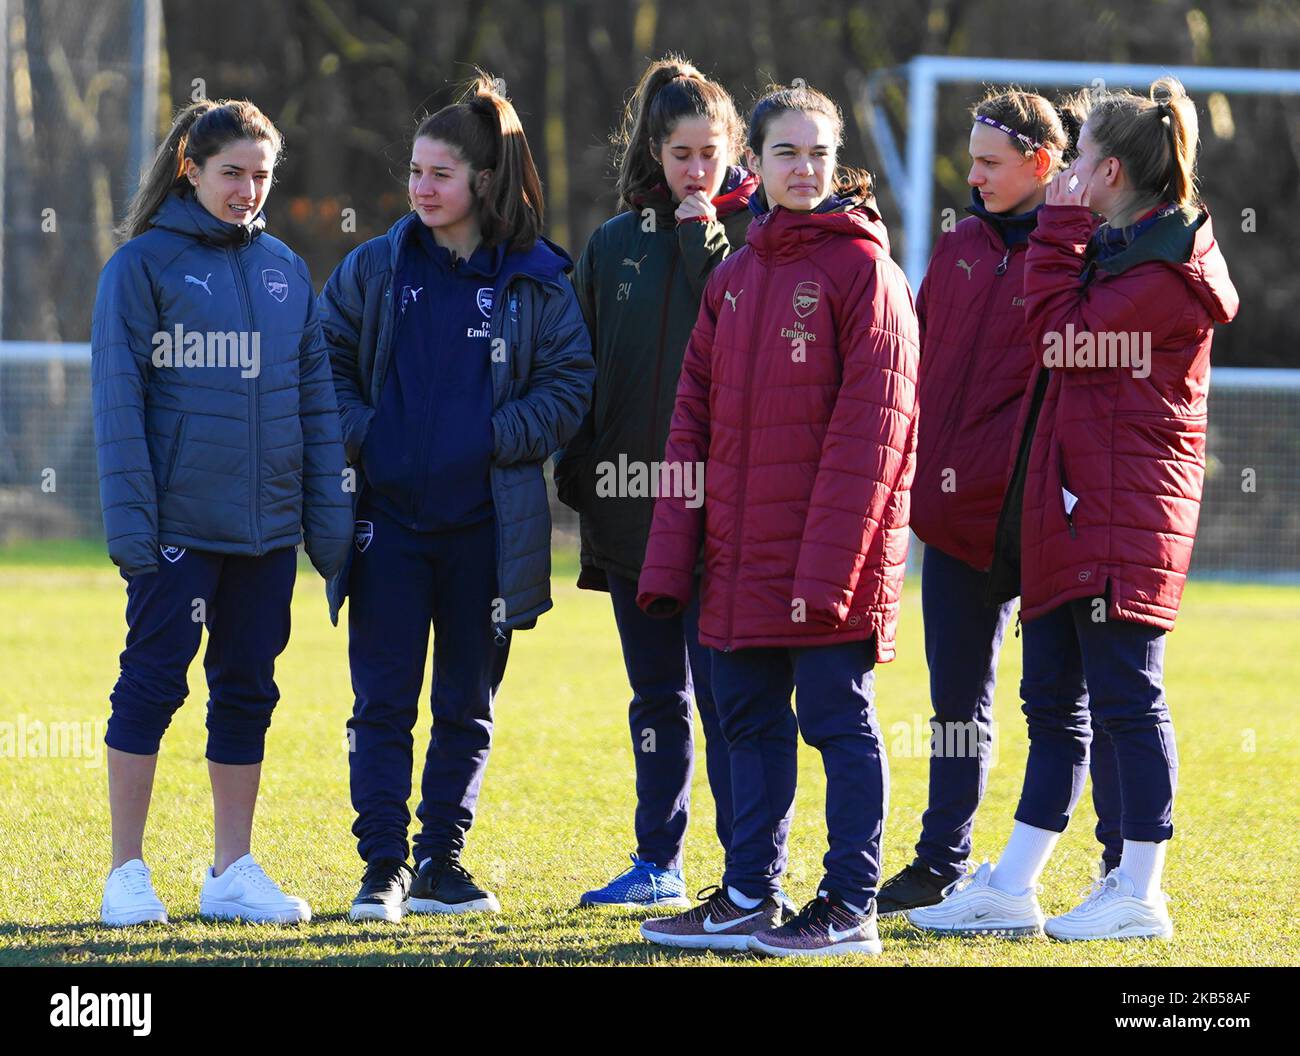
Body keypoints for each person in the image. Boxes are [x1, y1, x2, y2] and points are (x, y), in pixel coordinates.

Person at [909, 77, 1238, 940]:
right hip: (1069, 508)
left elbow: (1057, 336)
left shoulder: (1166, 269)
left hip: (1121, 513)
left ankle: (1139, 889)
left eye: (1080, 157)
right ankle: (1013, 885)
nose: (1069, 174)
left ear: (1112, 171)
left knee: (1127, 697)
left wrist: (1055, 228)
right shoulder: (1117, 248)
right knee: (1052, 699)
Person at [635, 82, 919, 957]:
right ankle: (749, 894)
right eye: (786, 153)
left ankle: (849, 906)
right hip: (738, 558)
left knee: (838, 723)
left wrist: (828, 571)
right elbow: (691, 422)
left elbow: (875, 436)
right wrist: (671, 552)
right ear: (752, 163)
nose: (804, 169)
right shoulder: (735, 274)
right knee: (748, 725)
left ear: (839, 165)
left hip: (829, 562)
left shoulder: (866, 270)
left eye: (820, 154)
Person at [319, 74, 593, 922]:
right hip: (388, 529)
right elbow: (322, 363)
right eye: (413, 171)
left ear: (482, 180)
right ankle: (382, 868)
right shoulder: (377, 263)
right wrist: (373, 435)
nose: (420, 189)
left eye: (439, 174)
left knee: (465, 707)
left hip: (488, 533)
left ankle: (442, 860)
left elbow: (569, 385)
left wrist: (492, 439)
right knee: (382, 703)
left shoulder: (538, 280)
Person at [91, 99, 352, 926]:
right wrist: (135, 527)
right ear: (190, 171)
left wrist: (326, 522)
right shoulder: (140, 269)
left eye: (261, 175)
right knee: (151, 683)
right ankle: (125, 872)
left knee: (248, 689)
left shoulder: (283, 270)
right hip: (178, 529)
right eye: (231, 173)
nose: (247, 190)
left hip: (264, 533)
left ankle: (230, 869)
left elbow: (315, 408)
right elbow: (118, 404)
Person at [877, 88, 1125, 917]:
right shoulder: (954, 250)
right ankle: (941, 861)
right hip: (955, 519)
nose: (972, 175)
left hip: (1050, 521)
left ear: (1043, 164)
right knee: (956, 705)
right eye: (971, 159)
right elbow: (914, 368)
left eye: (988, 162)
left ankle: (1119, 871)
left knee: (1073, 702)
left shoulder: (1090, 251)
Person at [554, 56, 763, 910]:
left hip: (719, 514)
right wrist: (581, 471)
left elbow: (731, 313)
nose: (695, 170)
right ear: (653, 150)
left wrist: (699, 225)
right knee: (655, 697)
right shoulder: (610, 244)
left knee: (725, 699)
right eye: (680, 154)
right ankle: (657, 862)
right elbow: (586, 370)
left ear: (733, 151)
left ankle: (744, 871)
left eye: (710, 153)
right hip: (631, 509)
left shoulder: (755, 239)